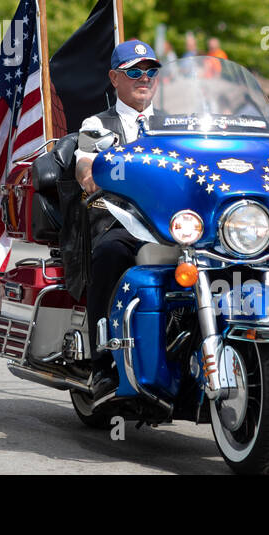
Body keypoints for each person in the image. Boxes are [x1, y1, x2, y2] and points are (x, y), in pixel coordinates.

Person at [73, 40, 160, 401]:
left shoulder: (176, 123)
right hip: (120, 222)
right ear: (114, 77)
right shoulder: (98, 124)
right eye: (134, 72)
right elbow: (85, 165)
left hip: (175, 225)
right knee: (110, 253)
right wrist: (92, 171)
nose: (144, 78)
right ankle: (101, 361)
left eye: (151, 71)